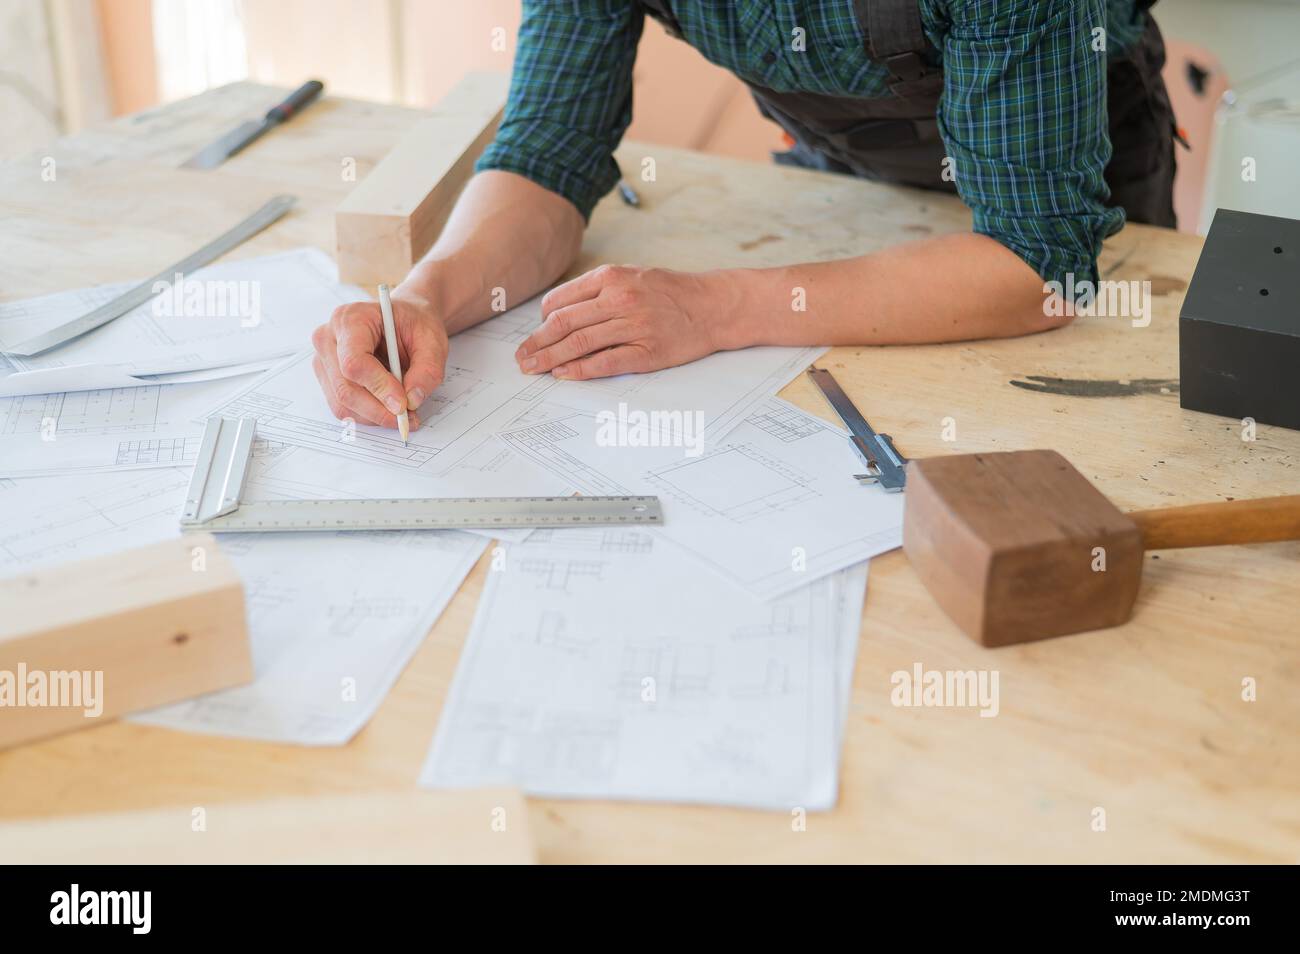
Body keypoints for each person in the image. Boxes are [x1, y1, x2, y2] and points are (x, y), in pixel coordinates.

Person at [311, 0, 1177, 431]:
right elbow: (548, 153)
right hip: (843, 185)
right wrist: (426, 299)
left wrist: (716, 308)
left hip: (1068, 180)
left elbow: (1040, 264)